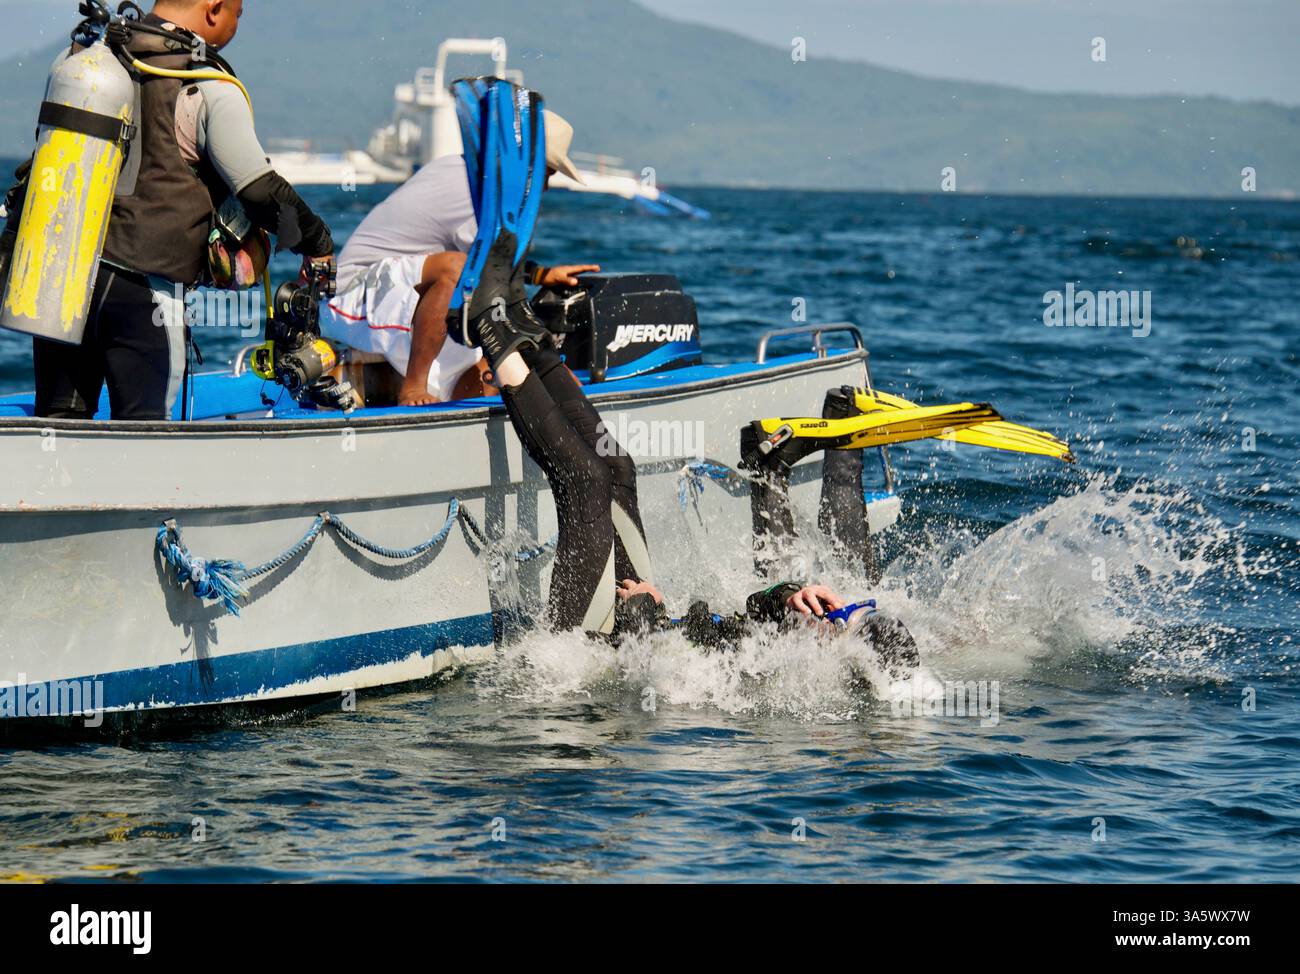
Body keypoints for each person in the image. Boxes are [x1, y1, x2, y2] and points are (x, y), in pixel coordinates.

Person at [18, 0, 335, 421]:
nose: (238, 24)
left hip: (61, 275)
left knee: (57, 426)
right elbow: (258, 189)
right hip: (142, 290)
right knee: (146, 431)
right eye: (238, 13)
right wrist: (317, 242)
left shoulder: (87, 57)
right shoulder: (203, 81)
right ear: (214, 8)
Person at [324, 111, 599, 406]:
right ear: (525, 166)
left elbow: (493, 268)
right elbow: (485, 272)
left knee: (490, 363)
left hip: (402, 292)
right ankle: (413, 388)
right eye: (547, 173)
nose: (545, 187)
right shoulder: (473, 188)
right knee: (458, 271)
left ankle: (456, 415)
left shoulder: (478, 177)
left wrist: (539, 275)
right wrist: (550, 362)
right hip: (349, 296)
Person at [611, 578, 921, 679]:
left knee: (609, 473)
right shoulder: (796, 663)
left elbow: (643, 661)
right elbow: (755, 607)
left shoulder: (759, 674)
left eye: (839, 622)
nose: (828, 616)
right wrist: (790, 595)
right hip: (656, 624)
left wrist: (642, 604)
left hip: (621, 637)